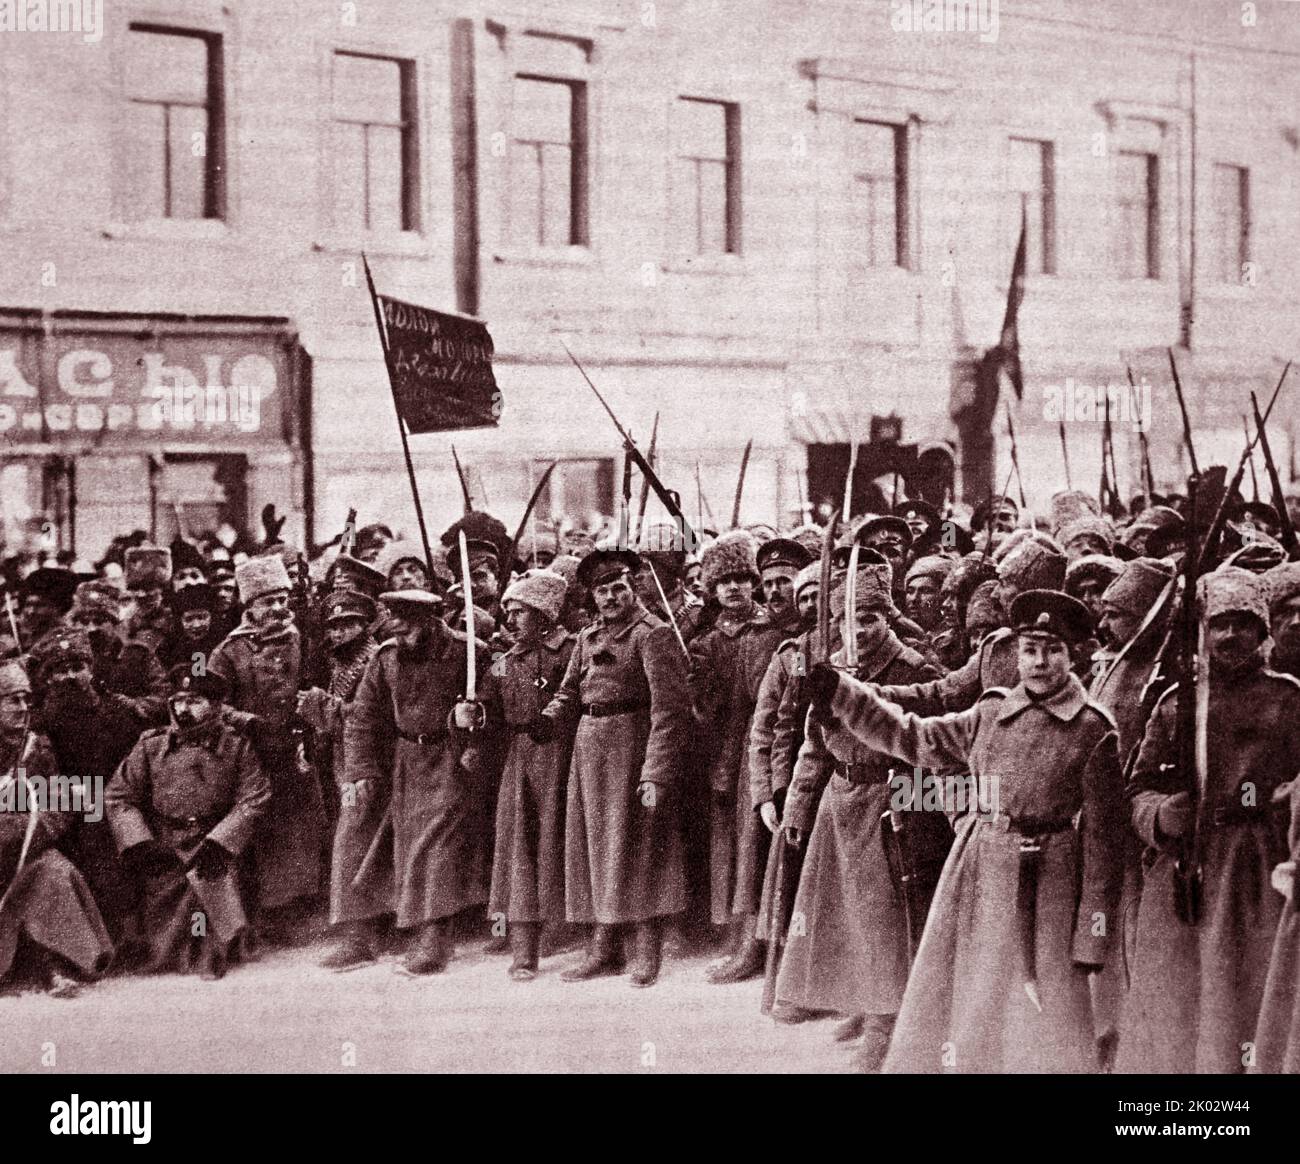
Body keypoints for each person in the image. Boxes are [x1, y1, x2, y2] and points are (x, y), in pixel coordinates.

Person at [805, 590, 1125, 1072]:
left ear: (1072, 655)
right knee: (975, 995)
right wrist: (846, 697)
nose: (1039, 662)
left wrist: (1092, 936)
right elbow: (913, 736)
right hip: (980, 868)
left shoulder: (1092, 729)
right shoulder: (990, 711)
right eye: (1029, 649)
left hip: (1053, 878)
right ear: (1015, 654)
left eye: (1052, 650)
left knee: (1047, 1004)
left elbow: (1103, 843)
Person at [1119, 567, 1300, 1073]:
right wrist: (1160, 815)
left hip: (1257, 872)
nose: (1229, 636)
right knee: (1178, 1003)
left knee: (1248, 996)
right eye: (1219, 624)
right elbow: (1137, 786)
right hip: (1185, 877)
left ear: (1263, 633)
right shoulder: (1176, 704)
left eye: (1243, 624)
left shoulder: (1289, 701)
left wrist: (1251, 795)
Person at [775, 557, 945, 1070]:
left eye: (869, 618)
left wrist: (925, 813)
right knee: (843, 915)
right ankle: (856, 999)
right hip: (840, 801)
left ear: (887, 618)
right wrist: (799, 807)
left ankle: (885, 1021)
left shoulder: (916, 670)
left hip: (891, 805)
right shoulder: (832, 670)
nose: (859, 630)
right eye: (847, 620)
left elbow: (936, 752)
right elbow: (814, 746)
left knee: (883, 919)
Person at [536, 546, 692, 987]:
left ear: (633, 587)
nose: (611, 598)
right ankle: (603, 948)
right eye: (602, 591)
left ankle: (646, 950)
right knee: (593, 849)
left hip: (632, 748)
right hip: (590, 750)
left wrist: (654, 772)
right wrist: (548, 718)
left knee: (637, 847)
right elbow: (570, 692)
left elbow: (669, 710)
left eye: (618, 588)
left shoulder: (653, 634)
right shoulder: (586, 639)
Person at [344, 588, 502, 975]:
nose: (393, 627)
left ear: (427, 619)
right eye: (391, 619)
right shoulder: (386, 658)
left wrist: (476, 715)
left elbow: (496, 703)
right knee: (408, 848)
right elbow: (362, 717)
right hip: (406, 762)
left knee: (438, 849)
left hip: (452, 759)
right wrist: (361, 768)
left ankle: (435, 943)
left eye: (401, 619)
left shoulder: (470, 652)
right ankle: (381, 937)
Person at [105, 667, 270, 978]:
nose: (183, 709)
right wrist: (140, 842)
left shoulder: (237, 745)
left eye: (193, 701)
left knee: (211, 882)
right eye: (177, 701)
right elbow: (118, 796)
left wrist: (221, 842)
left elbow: (254, 798)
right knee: (163, 898)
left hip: (214, 841)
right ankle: (168, 951)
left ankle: (211, 950)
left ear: (216, 705)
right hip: (165, 842)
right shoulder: (151, 746)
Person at [208, 555, 326, 937]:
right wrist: (249, 723)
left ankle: (302, 905)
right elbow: (212, 704)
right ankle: (265, 914)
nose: (277, 608)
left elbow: (315, 678)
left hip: (296, 746)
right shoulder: (229, 651)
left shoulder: (299, 637)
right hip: (252, 752)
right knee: (264, 829)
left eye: (281, 599)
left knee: (303, 825)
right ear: (250, 608)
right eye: (267, 602)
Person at [0, 660, 114, 998]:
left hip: (27, 848)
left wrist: (30, 831)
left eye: (26, 699)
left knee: (54, 872)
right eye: (11, 699)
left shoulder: (37, 747)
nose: (22, 708)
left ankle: (56, 967)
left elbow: (59, 801)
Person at [489, 570, 575, 980]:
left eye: (519, 612)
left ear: (543, 614)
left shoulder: (572, 651)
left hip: (565, 758)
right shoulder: (504, 665)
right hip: (520, 760)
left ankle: (574, 931)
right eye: (508, 612)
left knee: (563, 845)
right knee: (520, 849)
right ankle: (523, 948)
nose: (511, 621)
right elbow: (487, 715)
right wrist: (469, 717)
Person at [297, 590, 388, 970]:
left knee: (353, 844)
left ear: (366, 625)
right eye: (333, 626)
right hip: (344, 762)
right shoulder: (339, 664)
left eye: (348, 624)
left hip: (371, 765)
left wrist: (327, 708)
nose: (339, 633)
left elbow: (376, 715)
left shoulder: (374, 660)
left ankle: (359, 935)